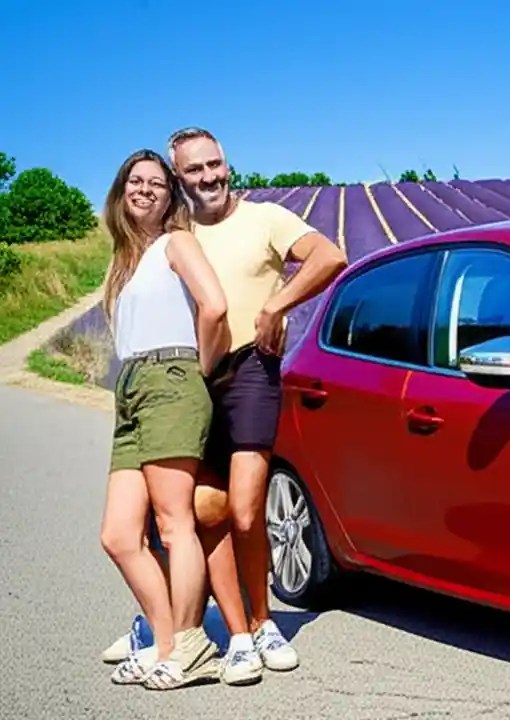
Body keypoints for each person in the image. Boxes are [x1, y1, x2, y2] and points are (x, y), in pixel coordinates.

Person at [100, 127, 348, 684]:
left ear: (227, 164)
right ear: (179, 180)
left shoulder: (265, 219)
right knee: (195, 512)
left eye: (215, 164)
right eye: (193, 171)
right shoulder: (176, 233)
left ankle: (262, 623)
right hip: (193, 376)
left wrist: (275, 307)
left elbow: (329, 257)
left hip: (247, 369)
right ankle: (202, 630)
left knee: (241, 508)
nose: (208, 176)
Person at [98, 149, 230, 689]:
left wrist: (195, 369)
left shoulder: (177, 242)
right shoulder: (127, 261)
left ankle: (191, 644)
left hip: (170, 381)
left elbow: (214, 306)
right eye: (136, 181)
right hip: (131, 389)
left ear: (170, 194)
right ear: (121, 191)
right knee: (119, 534)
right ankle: (165, 640)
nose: (146, 189)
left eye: (156, 182)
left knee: (175, 525)